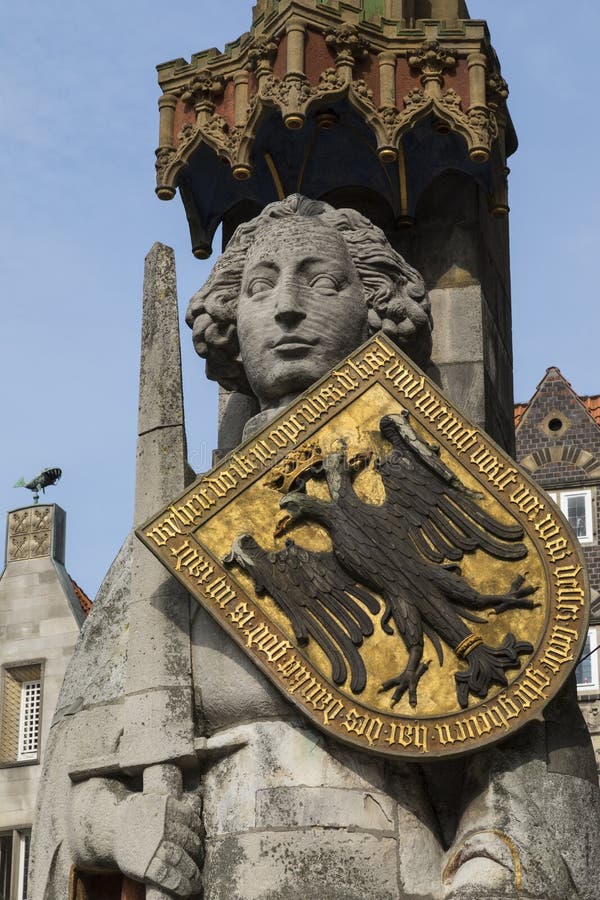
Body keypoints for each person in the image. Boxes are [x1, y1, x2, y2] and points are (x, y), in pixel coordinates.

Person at [31, 197, 600, 900]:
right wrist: (120, 826)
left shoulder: (436, 480)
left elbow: (527, 750)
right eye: (260, 286)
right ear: (232, 322)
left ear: (375, 308)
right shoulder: (170, 552)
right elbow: (71, 782)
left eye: (322, 281)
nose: (288, 308)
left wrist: (488, 873)